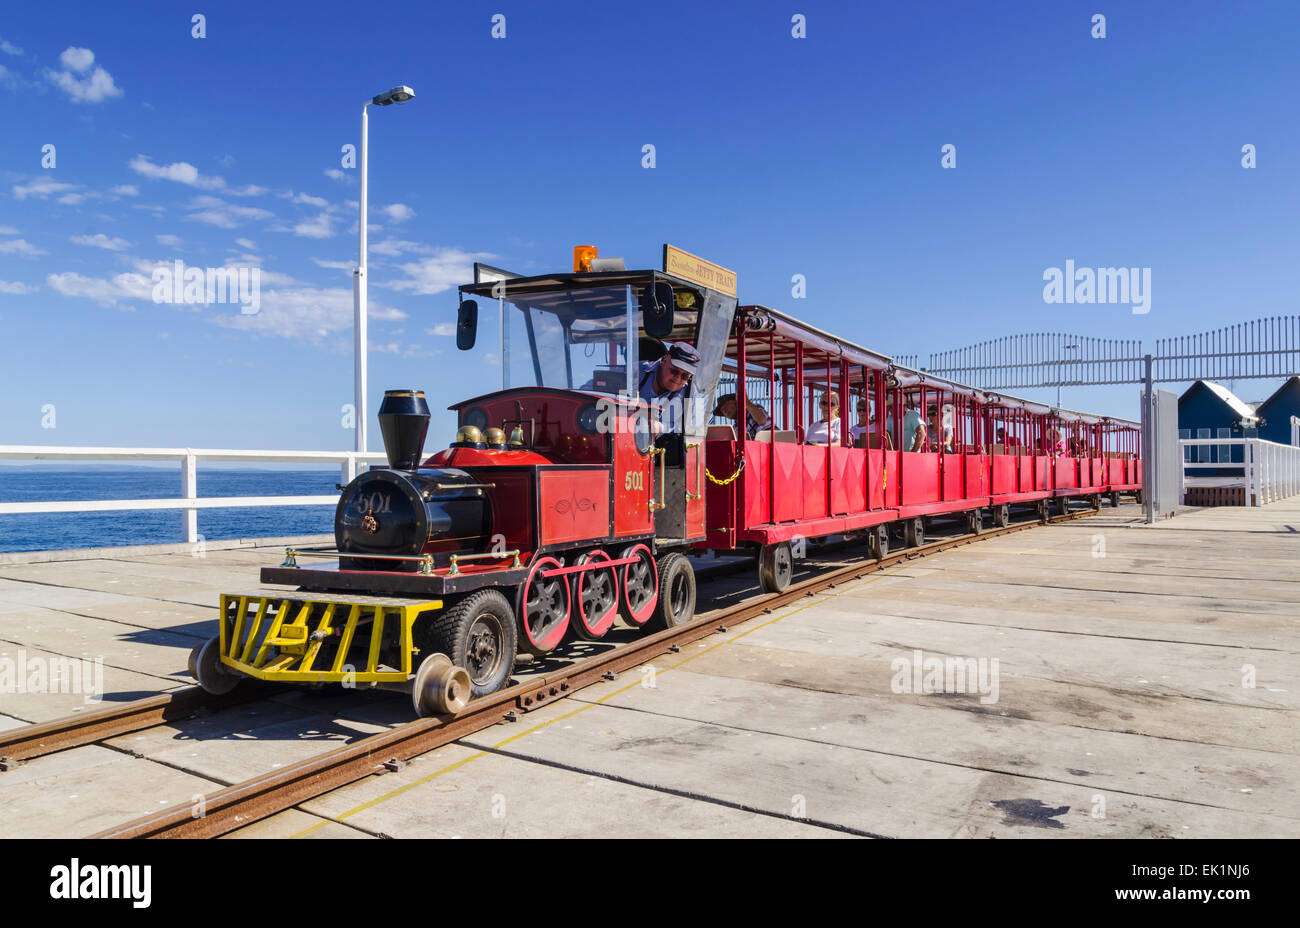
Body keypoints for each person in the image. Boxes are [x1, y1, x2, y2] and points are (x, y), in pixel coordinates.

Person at [636, 342, 699, 433]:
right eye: (674, 371)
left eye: (685, 376)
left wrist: (662, 428)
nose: (677, 379)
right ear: (664, 360)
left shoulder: (690, 394)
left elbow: (695, 428)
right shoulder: (636, 371)